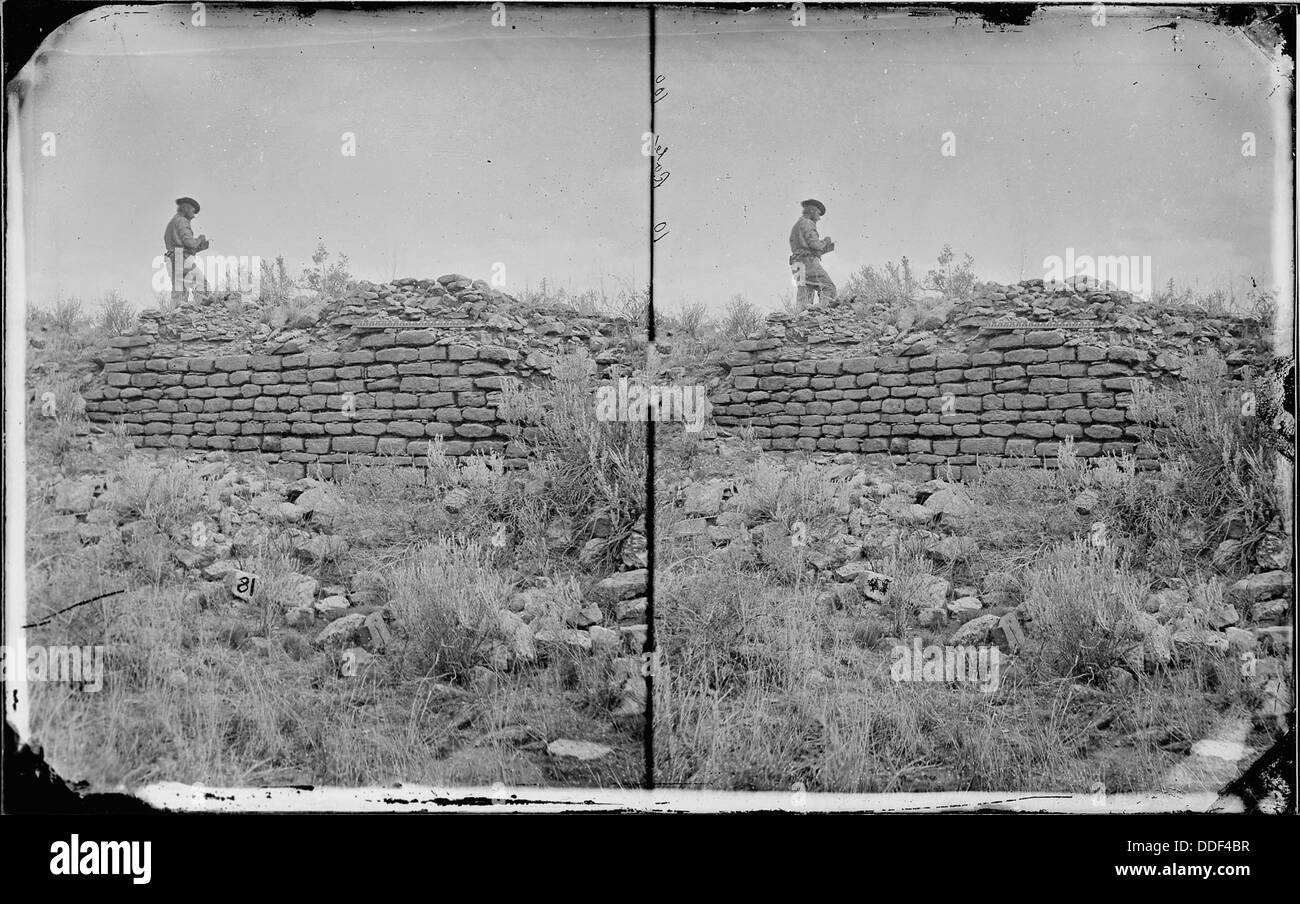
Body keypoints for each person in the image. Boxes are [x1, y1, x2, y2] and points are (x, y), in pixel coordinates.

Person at [789, 198, 836, 308]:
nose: (819, 218)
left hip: (797, 264)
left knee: (804, 296)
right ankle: (826, 316)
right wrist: (826, 241)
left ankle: (803, 321)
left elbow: (802, 247)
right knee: (828, 287)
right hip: (808, 263)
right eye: (818, 214)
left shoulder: (797, 225)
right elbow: (815, 245)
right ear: (812, 211)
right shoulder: (808, 223)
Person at [163, 196, 209, 302]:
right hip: (180, 258)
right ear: (186, 208)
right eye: (193, 211)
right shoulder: (182, 221)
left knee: (179, 292)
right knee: (202, 284)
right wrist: (200, 240)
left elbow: (182, 245)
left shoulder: (173, 222)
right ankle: (202, 312)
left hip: (173, 257)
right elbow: (190, 243)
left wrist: (200, 246)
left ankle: (177, 316)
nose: (193, 215)